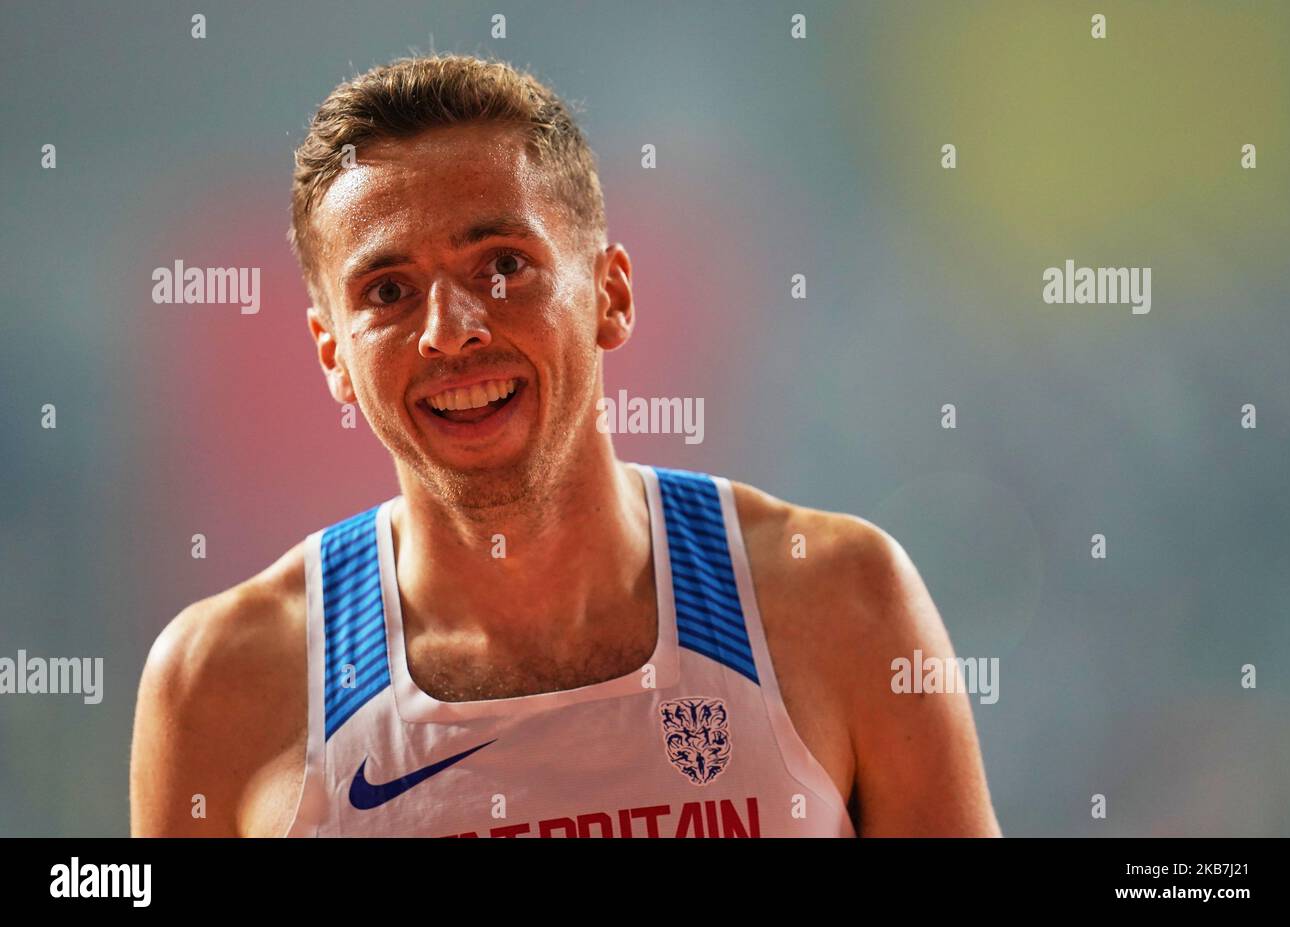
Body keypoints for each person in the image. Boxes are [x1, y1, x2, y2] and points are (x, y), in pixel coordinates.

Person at [130, 53, 1000, 837]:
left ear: (610, 295)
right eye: (389, 290)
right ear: (333, 356)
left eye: (502, 265)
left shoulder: (839, 600)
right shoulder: (220, 684)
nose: (449, 330)